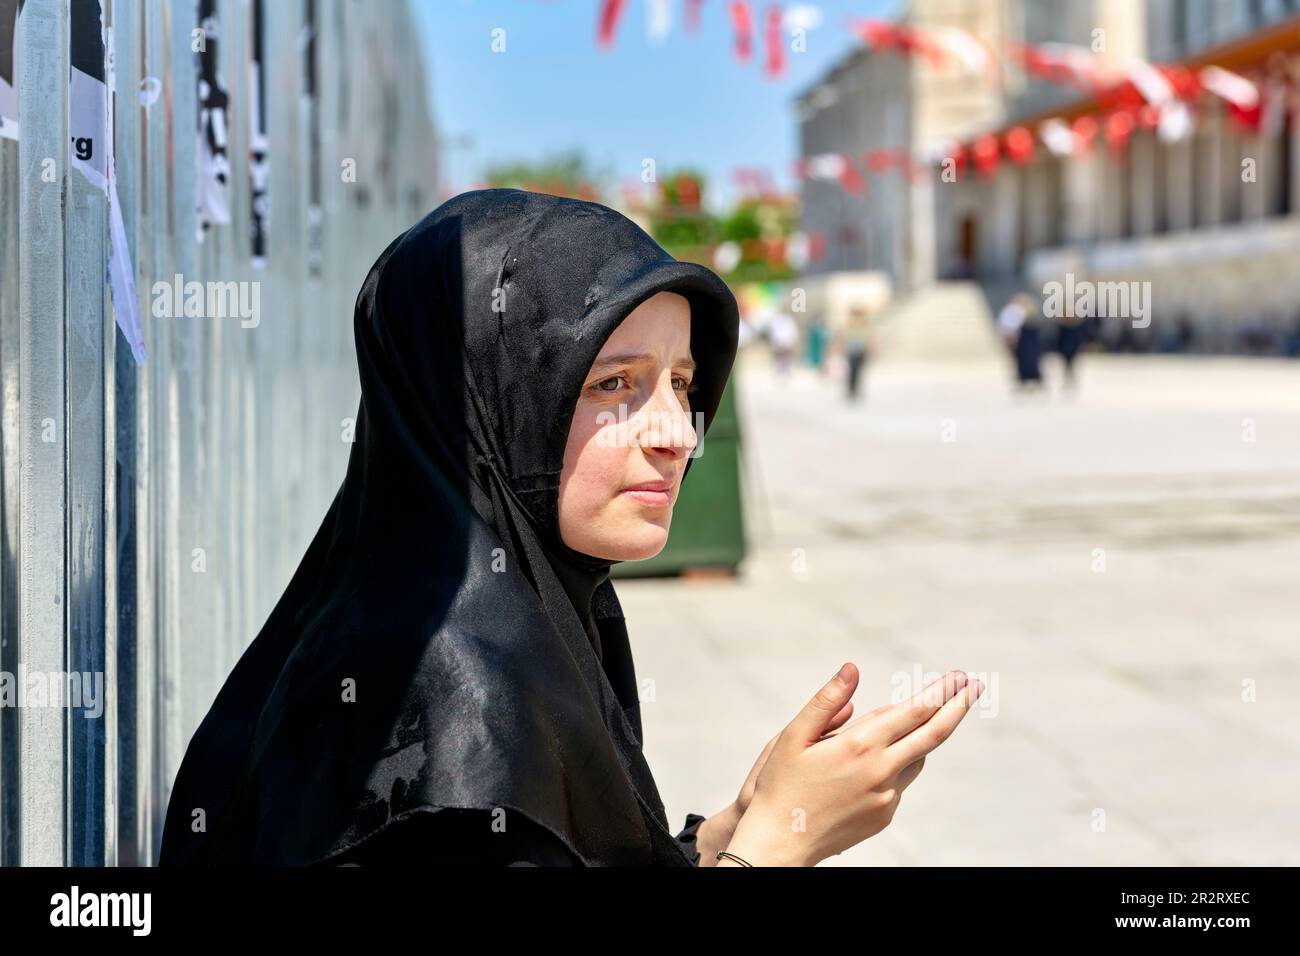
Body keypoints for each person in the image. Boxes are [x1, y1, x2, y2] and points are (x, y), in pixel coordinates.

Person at [157, 188, 981, 867]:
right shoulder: (452, 704)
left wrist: (728, 828)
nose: (677, 432)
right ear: (487, 405)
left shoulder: (509, 613)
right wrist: (772, 849)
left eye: (682, 384)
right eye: (613, 384)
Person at [842, 308, 870, 402]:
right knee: (853, 371)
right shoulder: (852, 324)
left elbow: (866, 338)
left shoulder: (862, 324)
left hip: (858, 350)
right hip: (852, 350)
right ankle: (852, 390)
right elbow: (846, 337)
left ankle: (854, 390)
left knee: (856, 371)